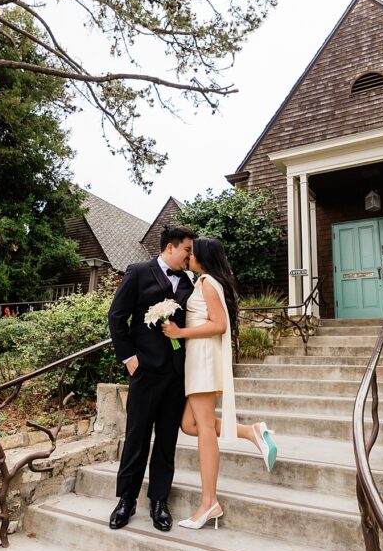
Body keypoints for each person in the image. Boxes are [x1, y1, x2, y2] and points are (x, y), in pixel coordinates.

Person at [161, 235, 277, 531]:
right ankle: (251, 431)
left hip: (203, 359)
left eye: (192, 253)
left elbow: (219, 325)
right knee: (189, 424)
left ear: (203, 257)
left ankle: (209, 502)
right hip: (198, 359)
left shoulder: (207, 283)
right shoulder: (205, 282)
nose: (189, 256)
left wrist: (179, 333)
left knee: (203, 431)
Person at [107, 225, 196, 532]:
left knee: (167, 440)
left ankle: (159, 500)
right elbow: (117, 316)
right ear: (170, 247)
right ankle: (126, 499)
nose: (190, 256)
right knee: (137, 437)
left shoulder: (189, 281)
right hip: (144, 372)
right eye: (187, 250)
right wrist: (129, 358)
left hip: (176, 374)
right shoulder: (138, 272)